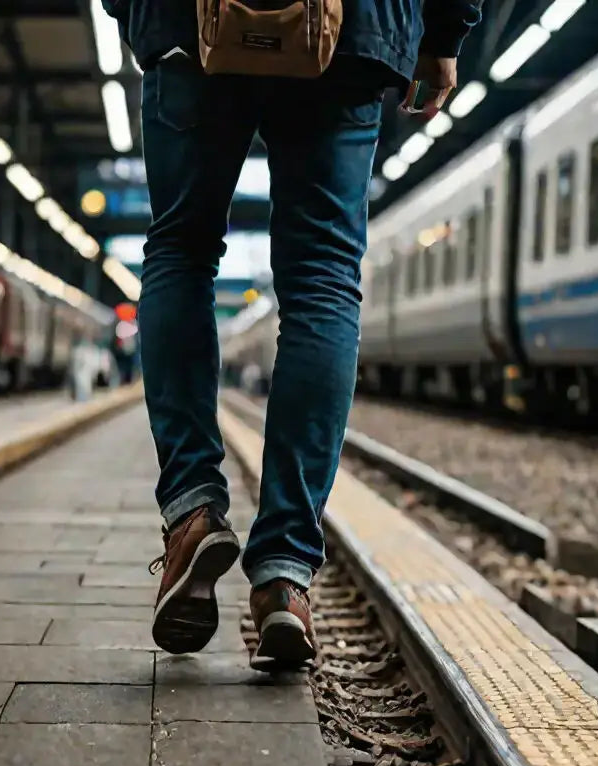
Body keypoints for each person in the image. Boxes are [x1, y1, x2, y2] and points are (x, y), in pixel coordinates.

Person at [103, 0, 483, 668]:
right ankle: (285, 571)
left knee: (182, 251)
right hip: (355, 32)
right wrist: (443, 32)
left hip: (186, 23)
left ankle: (192, 510)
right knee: (322, 278)